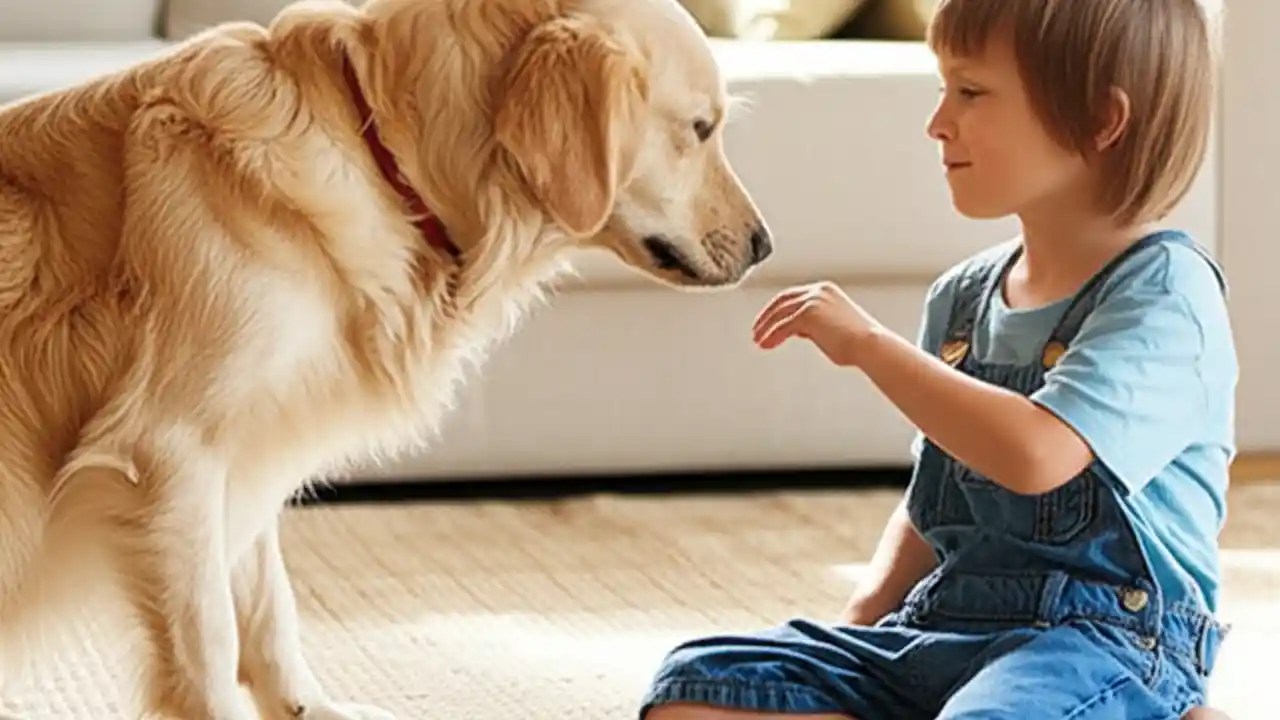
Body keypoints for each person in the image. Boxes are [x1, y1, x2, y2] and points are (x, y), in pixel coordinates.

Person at [638, 0, 1236, 718]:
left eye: (971, 91)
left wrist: (869, 347)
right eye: (943, 88)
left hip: (1106, 641)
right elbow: (929, 510)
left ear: (1101, 120)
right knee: (695, 687)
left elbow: (1037, 455)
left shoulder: (1165, 293)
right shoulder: (961, 299)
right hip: (945, 622)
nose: (937, 122)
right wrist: (859, 632)